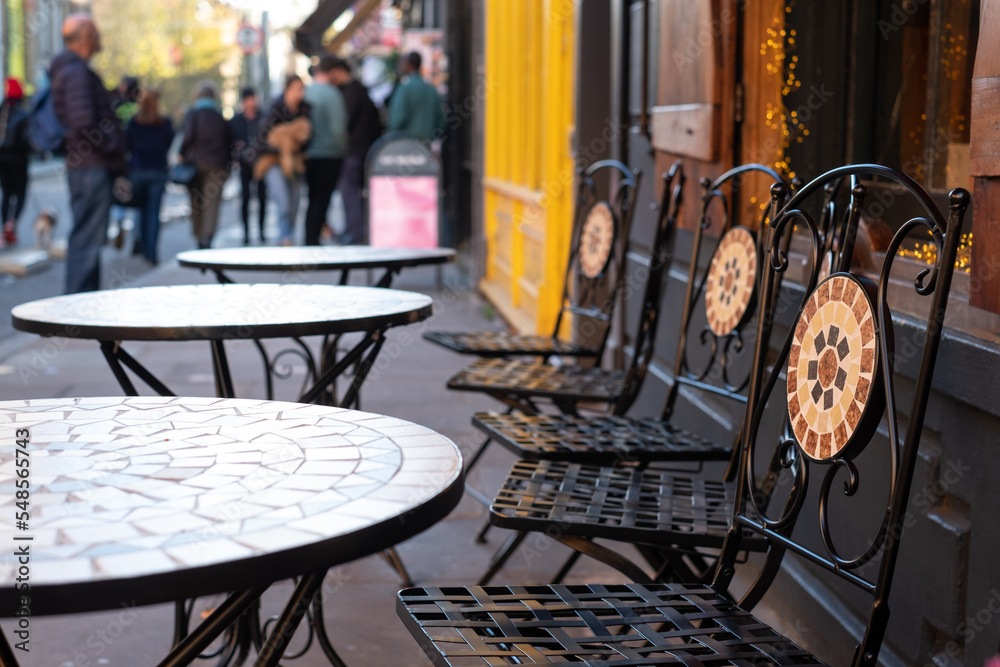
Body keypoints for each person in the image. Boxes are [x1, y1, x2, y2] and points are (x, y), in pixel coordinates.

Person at [51, 13, 126, 294]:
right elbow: (83, 122)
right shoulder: (76, 72)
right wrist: (111, 148)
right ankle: (77, 311)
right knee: (87, 242)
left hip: (88, 166)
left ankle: (81, 307)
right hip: (91, 167)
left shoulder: (74, 71)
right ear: (83, 36)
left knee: (87, 241)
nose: (100, 37)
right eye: (95, 32)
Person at [328, 58, 382, 245]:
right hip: (360, 150)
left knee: (349, 190)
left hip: (356, 151)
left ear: (338, 71)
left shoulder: (353, 91)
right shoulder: (357, 90)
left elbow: (345, 121)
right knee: (352, 192)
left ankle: (356, 232)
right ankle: (354, 230)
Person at [256, 75, 311, 246]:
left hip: (296, 163)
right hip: (273, 161)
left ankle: (289, 235)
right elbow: (261, 139)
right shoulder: (275, 109)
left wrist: (295, 149)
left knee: (295, 203)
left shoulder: (306, 110)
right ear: (287, 90)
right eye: (296, 89)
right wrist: (283, 147)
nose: (299, 94)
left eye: (301, 89)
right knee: (284, 202)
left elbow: (307, 138)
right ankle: (285, 237)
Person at [178, 81, 232, 249]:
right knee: (212, 203)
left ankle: (198, 235)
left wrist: (181, 154)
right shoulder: (220, 117)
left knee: (196, 202)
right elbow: (228, 142)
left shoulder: (193, 114)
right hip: (217, 165)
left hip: (197, 164)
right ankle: (207, 236)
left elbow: (187, 137)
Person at [302, 56, 347, 247]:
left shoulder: (305, 92)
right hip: (330, 154)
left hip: (308, 155)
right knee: (322, 198)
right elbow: (338, 130)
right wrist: (343, 149)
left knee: (312, 197)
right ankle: (313, 238)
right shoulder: (333, 94)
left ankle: (310, 236)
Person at [126, 88, 173, 265]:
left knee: (140, 210)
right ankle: (151, 252)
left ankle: (141, 246)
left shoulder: (134, 122)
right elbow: (169, 143)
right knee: (153, 213)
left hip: (138, 171)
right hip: (157, 171)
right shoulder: (164, 123)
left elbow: (127, 145)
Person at [229, 87, 267, 245]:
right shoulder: (236, 120)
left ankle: (261, 231)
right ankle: (246, 233)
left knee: (262, 198)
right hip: (244, 164)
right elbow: (230, 140)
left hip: (261, 163)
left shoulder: (262, 117)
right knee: (245, 198)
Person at [388, 51, 445, 141]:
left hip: (407, 145)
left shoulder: (404, 89)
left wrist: (390, 135)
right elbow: (441, 121)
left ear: (408, 65)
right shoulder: (431, 89)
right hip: (426, 145)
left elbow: (397, 119)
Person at [0, 77, 30, 247]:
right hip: (19, 158)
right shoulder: (23, 113)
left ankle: (4, 230)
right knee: (20, 193)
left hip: (2, 158)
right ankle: (12, 223)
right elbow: (28, 139)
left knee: (6, 194)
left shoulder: (1, 110)